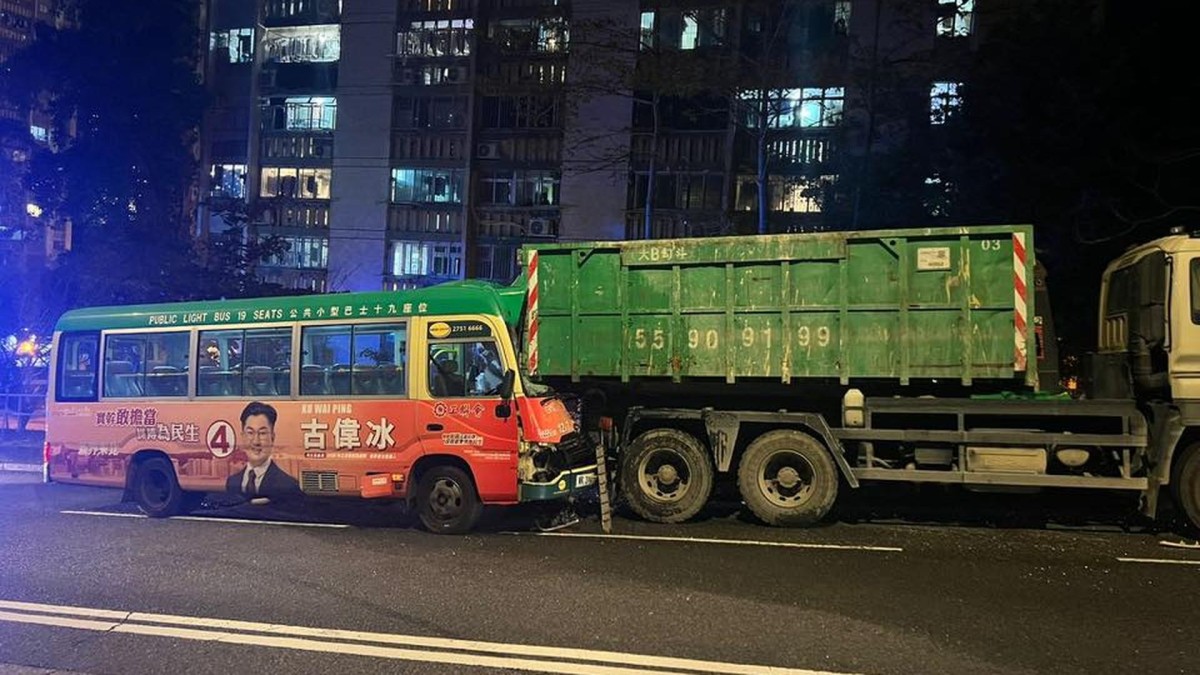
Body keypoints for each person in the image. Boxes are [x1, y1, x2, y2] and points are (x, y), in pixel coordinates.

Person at [226, 401, 301, 500]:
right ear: (242, 436)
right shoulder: (232, 482)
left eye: (262, 433)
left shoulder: (288, 485)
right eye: (250, 433)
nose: (256, 441)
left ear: (272, 437)